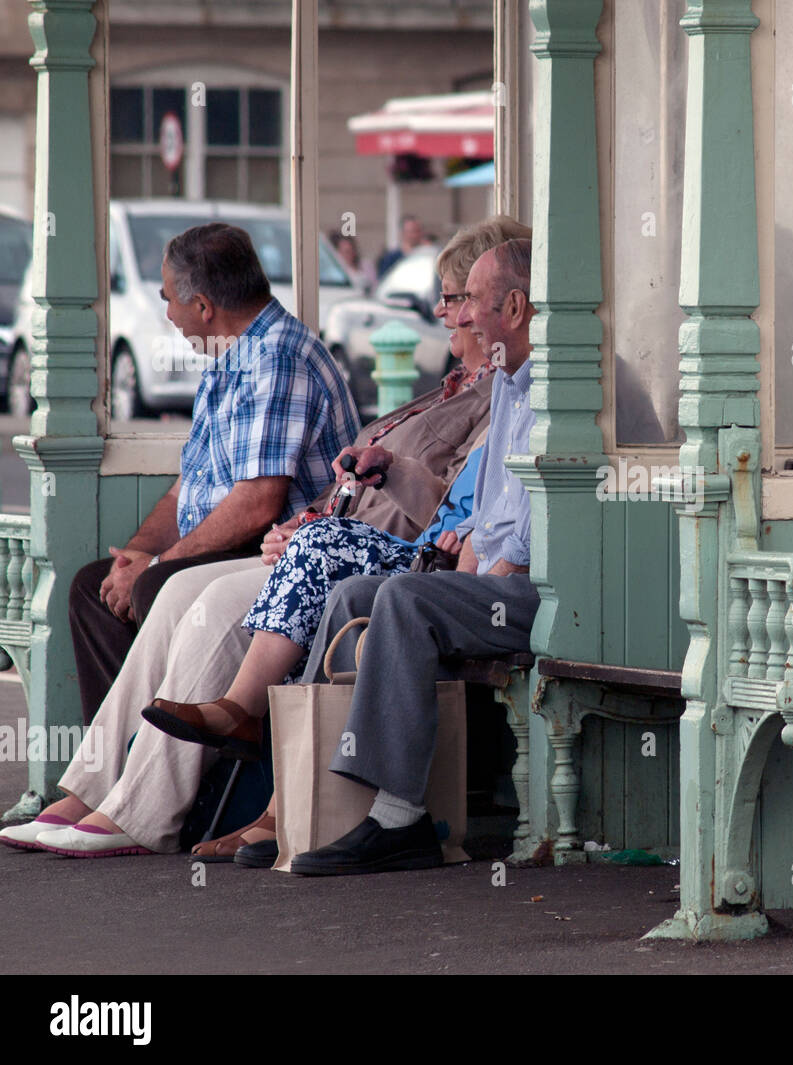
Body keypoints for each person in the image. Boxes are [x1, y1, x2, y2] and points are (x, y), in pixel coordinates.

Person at [0, 218, 530, 859]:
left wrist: (359, 503)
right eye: (451, 296)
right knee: (141, 592)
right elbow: (190, 484)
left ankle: (161, 800)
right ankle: (101, 791)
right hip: (328, 540)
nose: (446, 312)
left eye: (459, 298)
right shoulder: (462, 388)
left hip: (375, 552)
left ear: (508, 309)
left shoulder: (493, 391)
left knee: (192, 599)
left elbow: (455, 511)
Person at [284, 237, 537, 876]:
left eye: (472, 301)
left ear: (514, 305)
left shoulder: (557, 388)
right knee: (354, 595)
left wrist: (485, 561)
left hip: (538, 590)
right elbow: (485, 506)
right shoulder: (509, 380)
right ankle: (309, 801)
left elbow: (539, 528)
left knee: (403, 598)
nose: (462, 317)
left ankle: (400, 819)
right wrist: (470, 543)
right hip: (488, 576)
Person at [67, 223, 361, 726]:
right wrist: (135, 555)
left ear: (203, 306)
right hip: (234, 544)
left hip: (279, 553)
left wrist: (156, 564)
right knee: (95, 588)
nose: (166, 314)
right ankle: (122, 754)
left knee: (151, 587)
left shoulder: (277, 358)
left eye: (168, 299)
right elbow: (190, 483)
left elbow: (258, 505)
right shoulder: (231, 359)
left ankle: (159, 755)